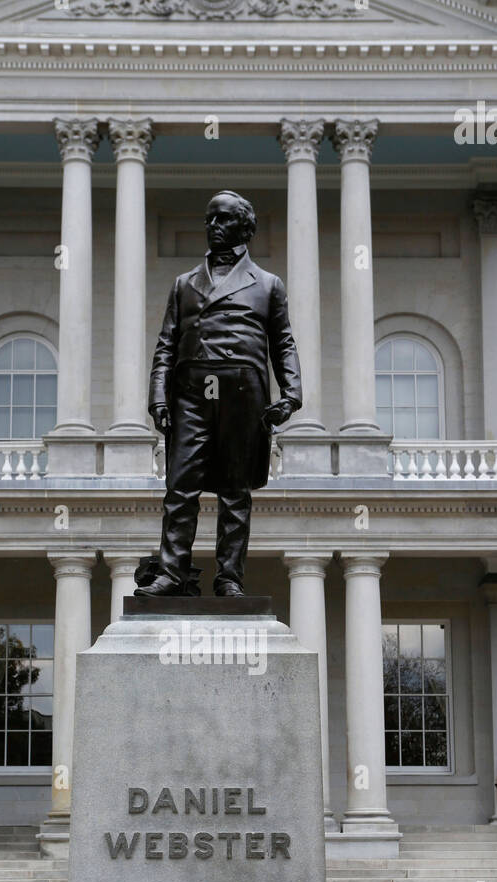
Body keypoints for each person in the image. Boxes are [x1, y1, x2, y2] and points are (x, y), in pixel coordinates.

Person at [136, 190, 302, 598]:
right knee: (180, 485)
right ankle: (173, 572)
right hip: (191, 392)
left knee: (235, 490)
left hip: (243, 393)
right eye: (209, 219)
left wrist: (292, 393)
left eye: (222, 219)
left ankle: (230, 577)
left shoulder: (268, 285)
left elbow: (282, 342)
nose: (212, 226)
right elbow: (166, 345)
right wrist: (158, 396)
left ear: (244, 227)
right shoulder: (184, 284)